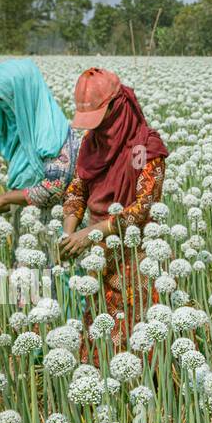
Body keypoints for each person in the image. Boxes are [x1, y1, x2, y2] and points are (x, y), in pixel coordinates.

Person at [60, 68, 168, 353]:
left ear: (118, 106)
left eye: (100, 117)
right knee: (100, 345)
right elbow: (77, 188)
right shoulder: (92, 142)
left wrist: (93, 232)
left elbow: (142, 208)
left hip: (138, 261)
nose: (95, 127)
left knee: (143, 343)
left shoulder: (143, 148)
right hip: (99, 259)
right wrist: (68, 233)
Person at [0, 59, 83, 221]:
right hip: (23, 230)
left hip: (52, 232)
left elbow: (55, 188)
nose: (5, 107)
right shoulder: (22, 134)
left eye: (9, 99)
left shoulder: (53, 134)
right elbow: (22, 193)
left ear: (25, 94)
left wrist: (4, 198)